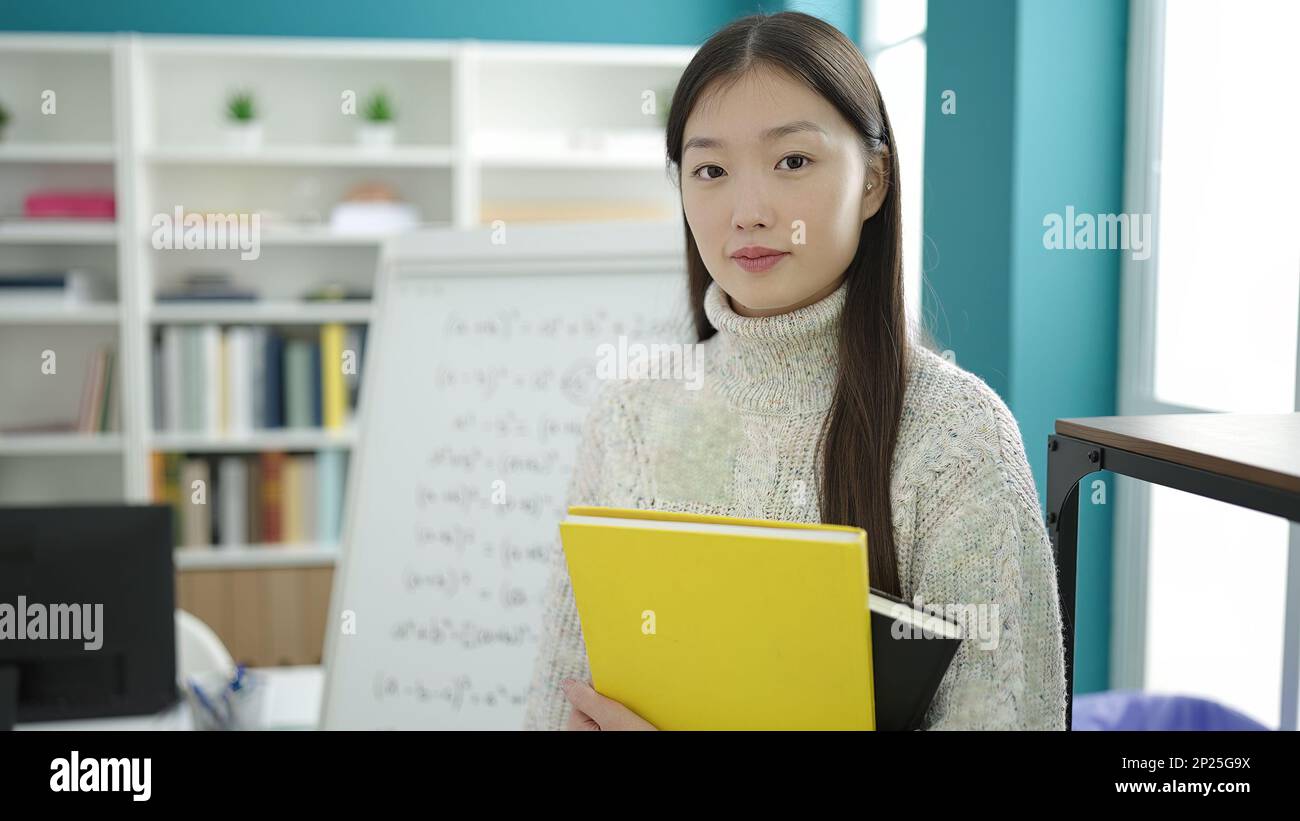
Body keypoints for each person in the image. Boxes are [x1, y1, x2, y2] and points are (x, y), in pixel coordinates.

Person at [523, 10, 1067, 731]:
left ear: (874, 181)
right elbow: (555, 703)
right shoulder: (630, 416)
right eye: (710, 170)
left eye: (793, 162)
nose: (748, 211)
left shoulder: (958, 437)